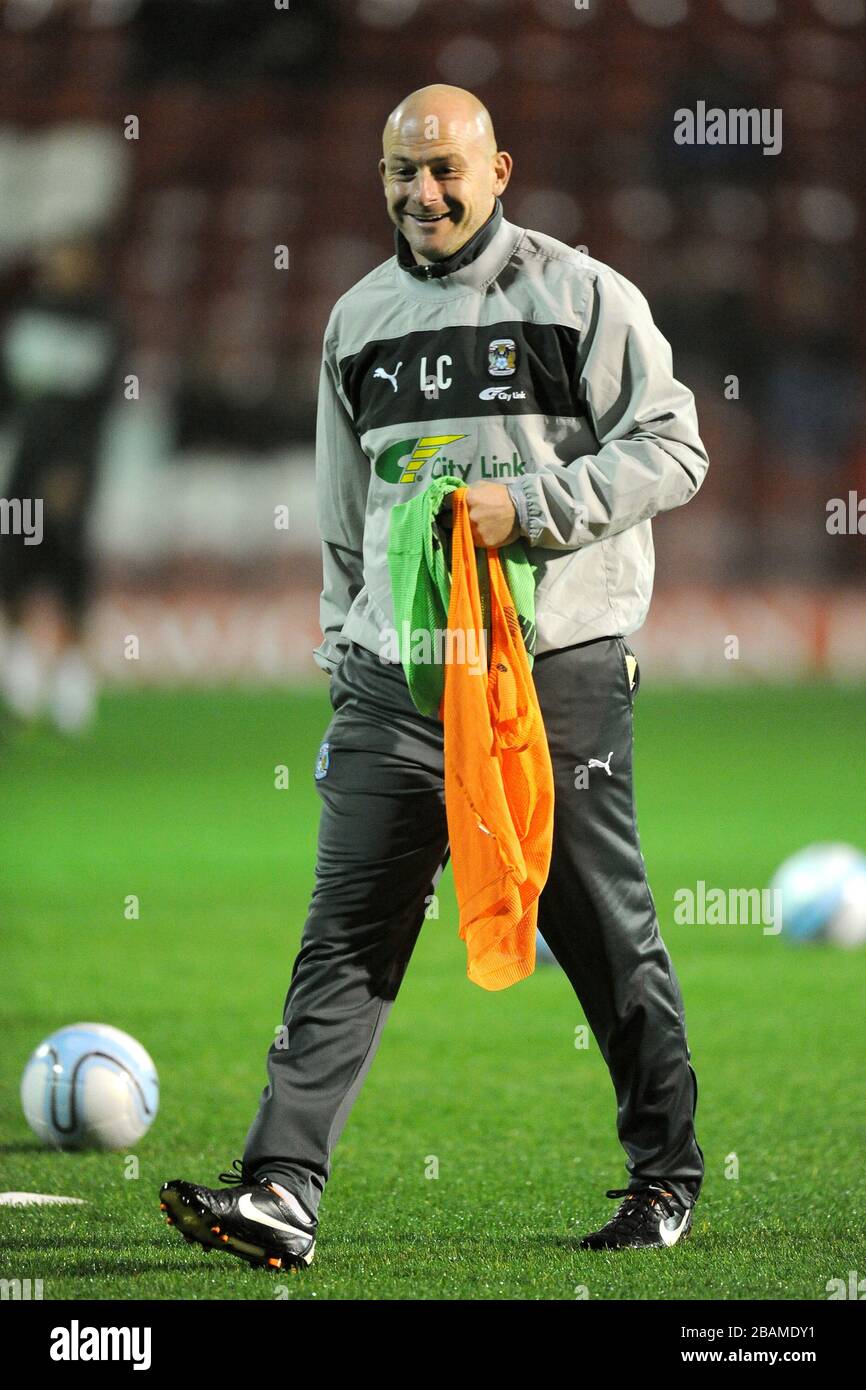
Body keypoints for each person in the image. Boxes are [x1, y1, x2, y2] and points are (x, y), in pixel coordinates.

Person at [159, 84, 709, 1268]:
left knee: (600, 930)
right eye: (402, 173)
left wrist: (534, 508)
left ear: (498, 169)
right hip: (394, 682)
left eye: (447, 170)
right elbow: (346, 520)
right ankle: (280, 1187)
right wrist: (344, 647)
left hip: (545, 674)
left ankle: (664, 1174)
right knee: (346, 930)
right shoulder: (355, 322)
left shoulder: (583, 296)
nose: (425, 192)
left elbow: (674, 445)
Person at [0, 235, 122, 734]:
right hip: (24, 469)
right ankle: (22, 674)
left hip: (73, 472)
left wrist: (76, 467)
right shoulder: (25, 315)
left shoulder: (104, 323)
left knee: (68, 566)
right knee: (13, 561)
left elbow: (100, 405)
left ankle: (73, 680)